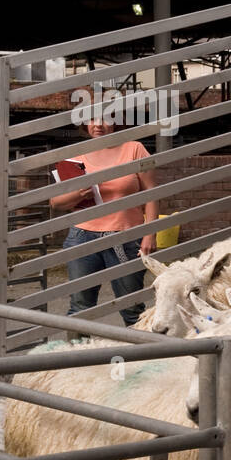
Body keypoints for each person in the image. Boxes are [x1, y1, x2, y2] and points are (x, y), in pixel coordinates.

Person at [49, 119, 158, 327]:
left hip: (126, 238)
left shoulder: (134, 149)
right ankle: (78, 357)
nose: (98, 125)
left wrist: (150, 234)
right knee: (80, 307)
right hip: (82, 237)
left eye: (105, 118)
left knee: (132, 308)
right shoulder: (75, 156)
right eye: (92, 119)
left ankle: (140, 357)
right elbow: (56, 203)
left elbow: (152, 194)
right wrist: (80, 193)